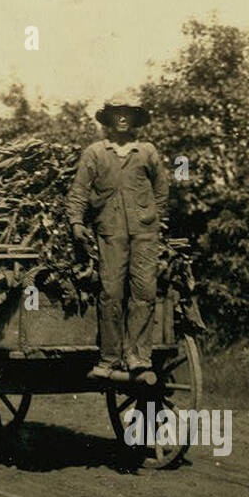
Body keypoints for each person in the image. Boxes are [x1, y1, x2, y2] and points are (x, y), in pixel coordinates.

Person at [65, 93, 169, 377]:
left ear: (136, 119)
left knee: (144, 292)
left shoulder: (147, 152)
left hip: (145, 234)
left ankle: (138, 357)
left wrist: (154, 218)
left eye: (128, 112)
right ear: (109, 118)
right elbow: (79, 191)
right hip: (110, 233)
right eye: (117, 112)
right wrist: (76, 221)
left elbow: (161, 190)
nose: (122, 117)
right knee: (111, 292)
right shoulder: (96, 153)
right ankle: (110, 359)